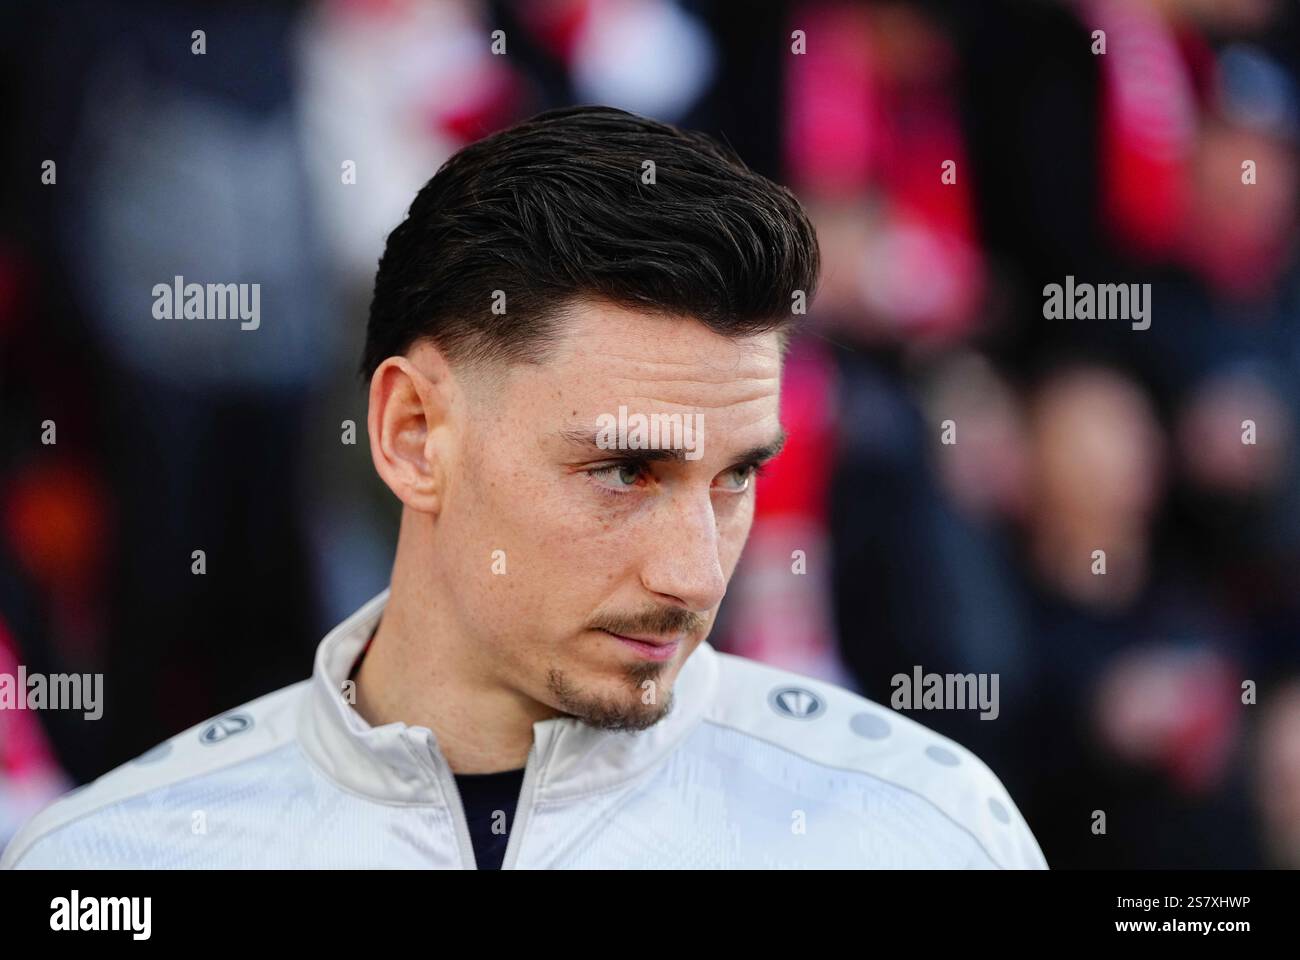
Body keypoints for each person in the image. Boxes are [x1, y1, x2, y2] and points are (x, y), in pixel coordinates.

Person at [1, 106, 1045, 869]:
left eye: (736, 477)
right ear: (413, 435)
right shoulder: (113, 866)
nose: (692, 574)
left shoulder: (923, 830)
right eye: (624, 470)